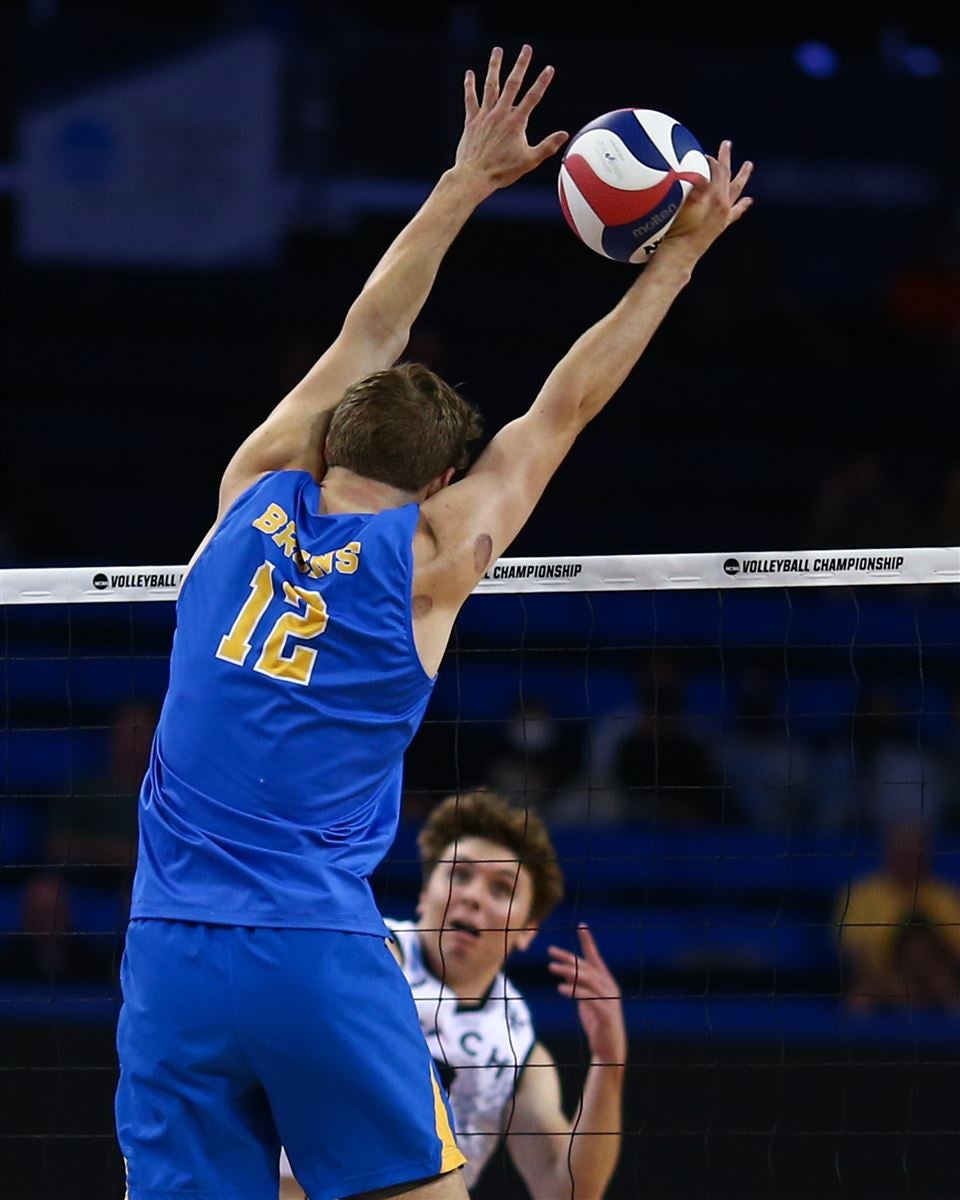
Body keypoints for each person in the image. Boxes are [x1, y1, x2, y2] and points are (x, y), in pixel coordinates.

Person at [115, 42, 753, 1200]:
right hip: (310, 944)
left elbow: (368, 336)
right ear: (437, 477)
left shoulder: (247, 488)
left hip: (164, 946)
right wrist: (676, 264)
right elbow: (562, 410)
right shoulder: (430, 559)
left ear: (330, 437)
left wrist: (464, 179)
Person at [279, 790, 626, 1200]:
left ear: (528, 930)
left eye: (501, 889)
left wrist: (608, 1061)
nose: (473, 896)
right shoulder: (369, 953)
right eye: (459, 875)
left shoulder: (516, 1047)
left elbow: (567, 1191)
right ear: (426, 892)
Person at [835, 821, 960, 1013]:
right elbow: (852, 950)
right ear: (889, 853)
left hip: (936, 980)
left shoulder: (945, 896)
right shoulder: (861, 894)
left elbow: (954, 951)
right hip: (880, 978)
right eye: (903, 852)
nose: (908, 858)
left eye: (915, 853)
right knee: (860, 996)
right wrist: (888, 980)